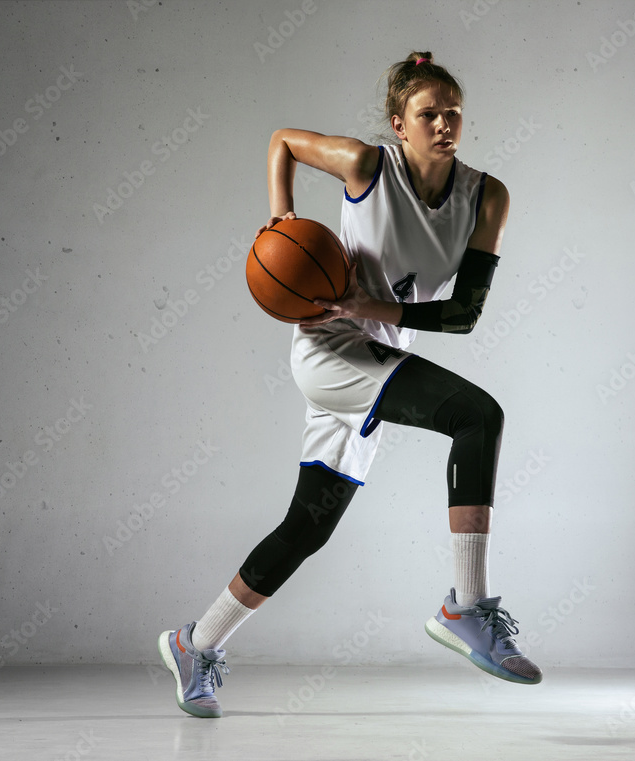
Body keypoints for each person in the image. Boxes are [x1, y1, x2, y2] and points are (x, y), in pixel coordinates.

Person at [158, 51, 542, 719]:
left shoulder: (487, 196)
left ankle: (195, 641)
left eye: (454, 113)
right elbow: (282, 141)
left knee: (308, 526)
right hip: (331, 349)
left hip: (381, 347)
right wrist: (280, 220)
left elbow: (464, 314)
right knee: (477, 415)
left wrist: (374, 309)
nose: (445, 124)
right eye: (429, 114)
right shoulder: (367, 166)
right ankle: (466, 605)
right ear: (399, 122)